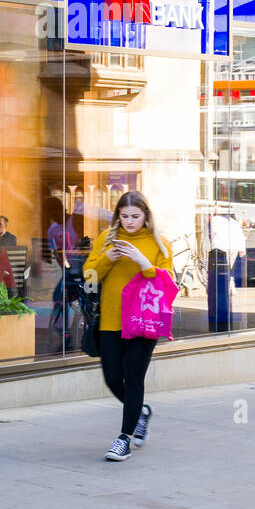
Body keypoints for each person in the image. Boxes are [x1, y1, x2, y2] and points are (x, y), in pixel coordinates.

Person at [84, 191, 173, 462]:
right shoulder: (107, 238)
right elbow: (89, 276)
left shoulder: (159, 243)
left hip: (144, 320)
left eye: (135, 216)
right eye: (124, 217)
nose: (130, 222)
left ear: (146, 215)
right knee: (112, 377)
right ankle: (141, 412)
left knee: (133, 378)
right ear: (117, 216)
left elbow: (168, 282)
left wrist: (144, 263)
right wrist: (109, 257)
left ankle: (124, 438)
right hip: (111, 319)